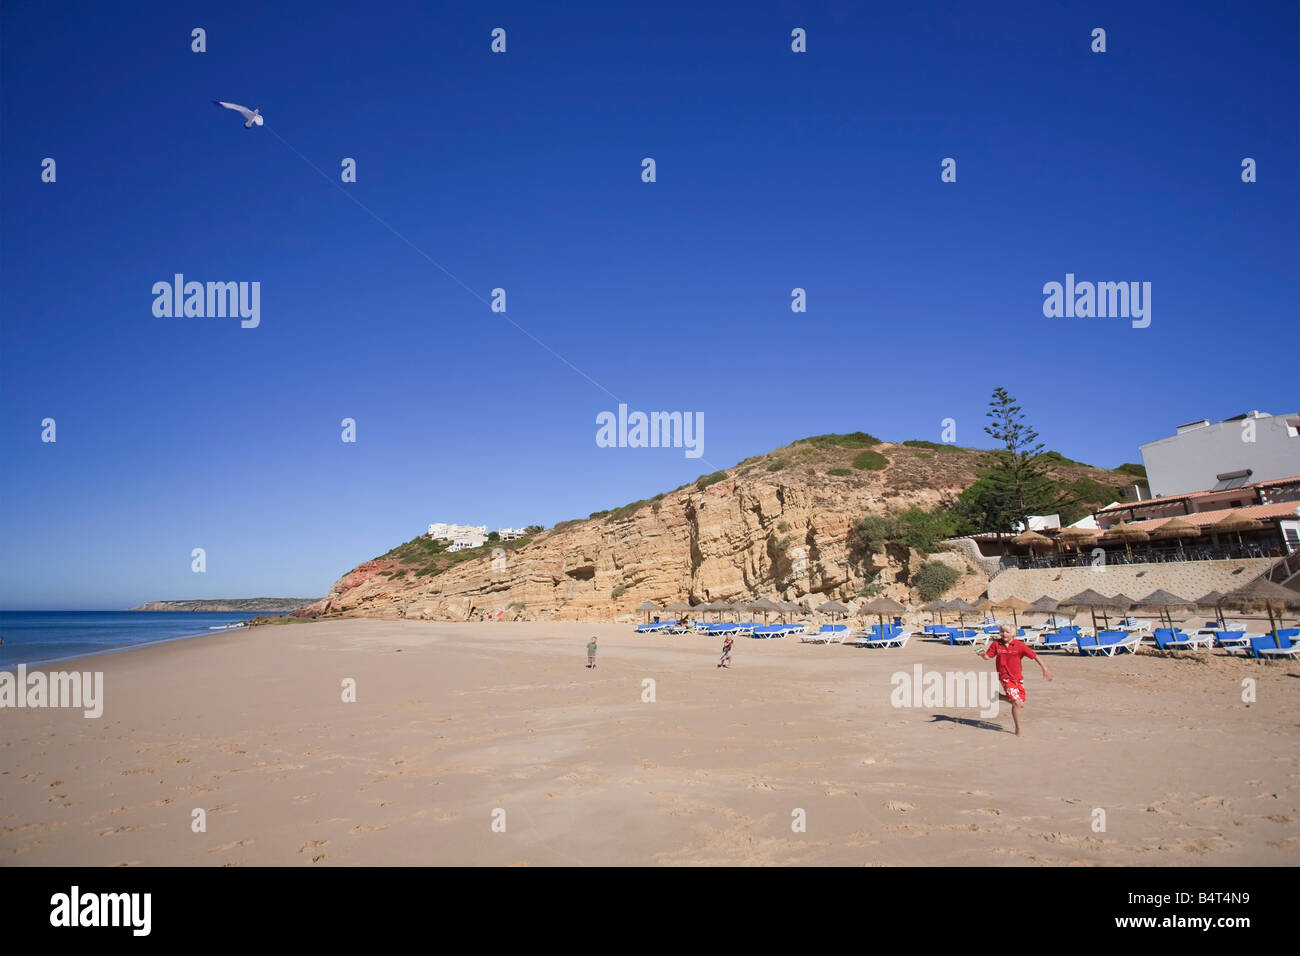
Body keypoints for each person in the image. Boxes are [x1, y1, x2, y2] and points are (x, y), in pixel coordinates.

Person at [981, 623, 1052, 736]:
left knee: (1021, 704)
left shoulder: (1020, 645)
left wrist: (1045, 669)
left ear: (1013, 634)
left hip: (1018, 678)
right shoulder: (996, 644)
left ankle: (1000, 696)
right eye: (1002, 632)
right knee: (1017, 703)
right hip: (1005, 677)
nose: (1004, 634)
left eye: (1007, 632)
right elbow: (987, 657)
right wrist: (981, 653)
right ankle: (1018, 729)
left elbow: (1035, 656)